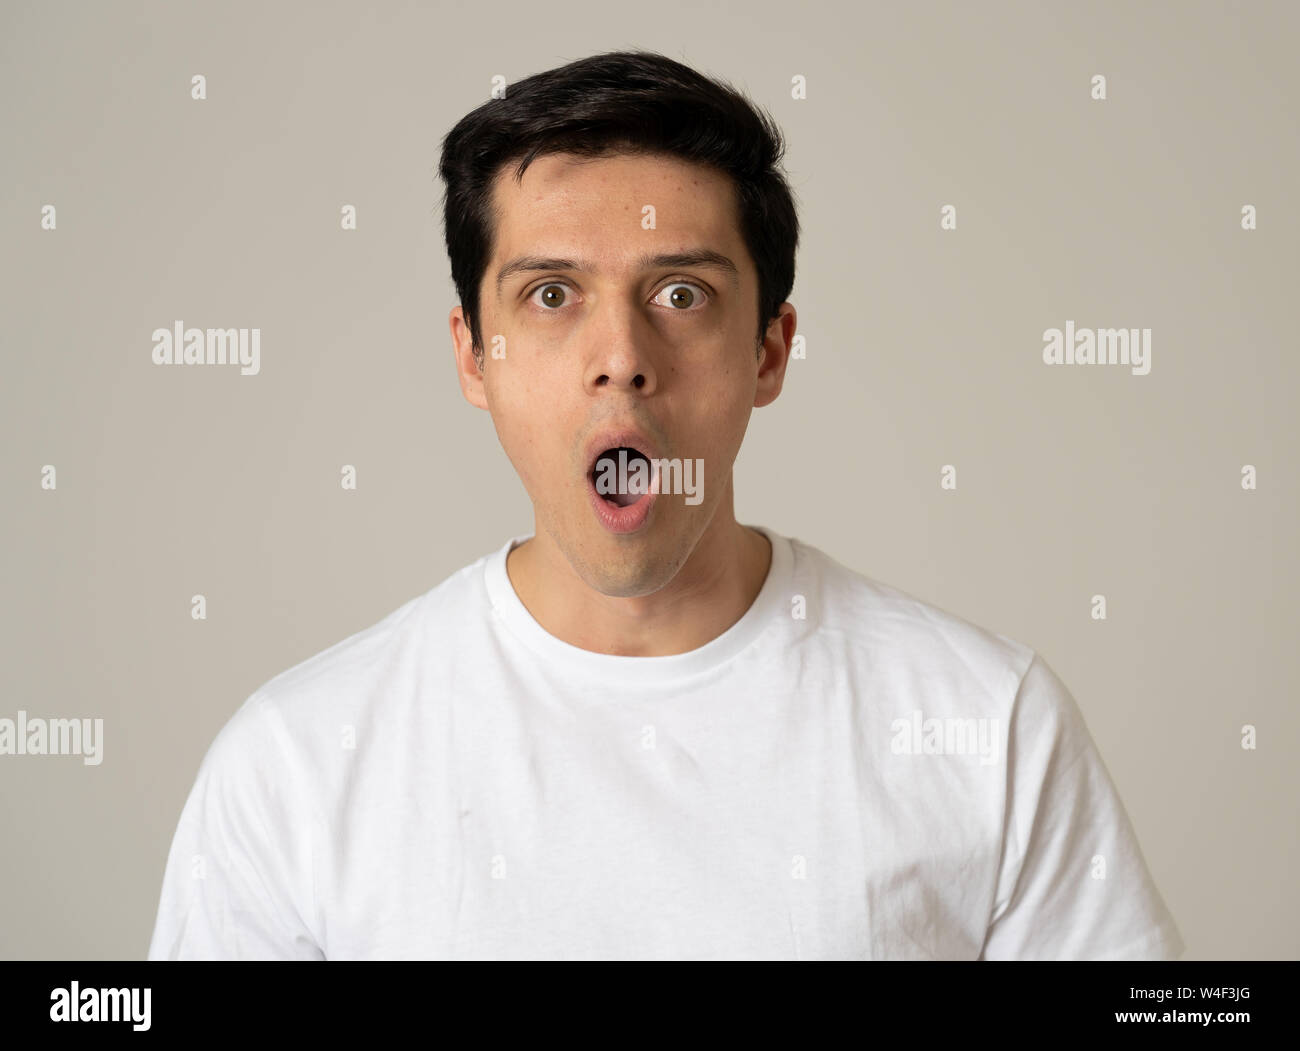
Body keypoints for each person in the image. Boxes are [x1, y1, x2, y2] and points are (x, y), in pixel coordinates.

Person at [147, 49, 1184, 960]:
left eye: (681, 294)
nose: (621, 361)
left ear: (768, 351)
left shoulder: (985, 726)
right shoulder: (295, 762)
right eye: (550, 295)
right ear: (474, 357)